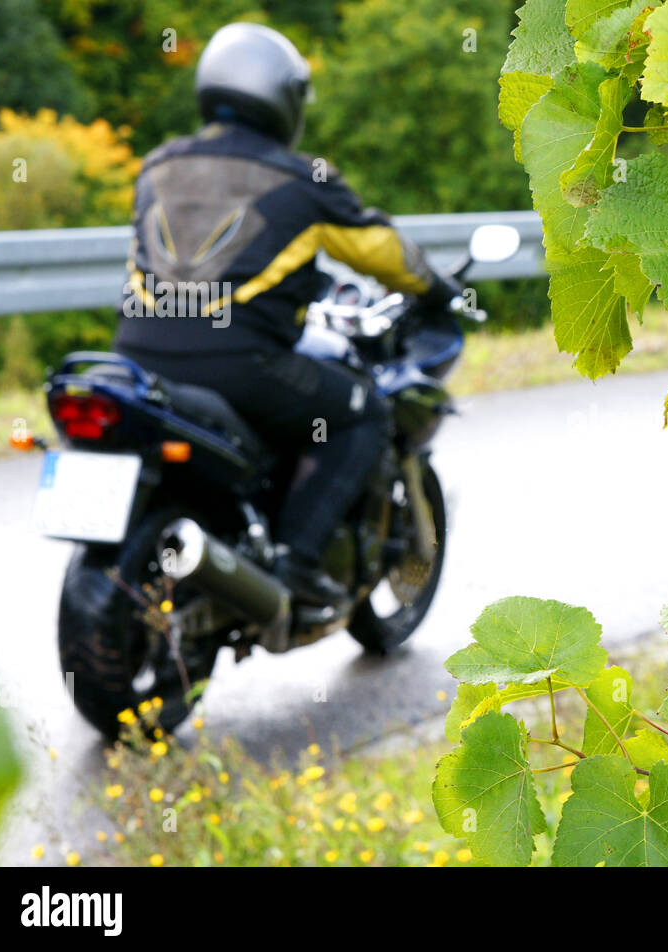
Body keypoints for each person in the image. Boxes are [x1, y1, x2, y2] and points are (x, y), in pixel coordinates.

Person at [114, 22, 458, 605]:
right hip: (241, 366)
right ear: (283, 98)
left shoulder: (158, 165)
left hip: (137, 362)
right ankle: (297, 561)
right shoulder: (301, 180)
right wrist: (437, 289)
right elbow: (383, 253)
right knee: (364, 414)